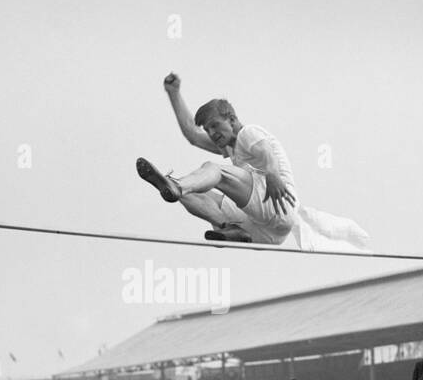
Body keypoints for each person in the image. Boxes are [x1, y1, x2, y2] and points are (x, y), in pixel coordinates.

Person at [136, 73, 369, 250]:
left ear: (232, 119)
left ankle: (179, 187)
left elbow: (266, 151)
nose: (212, 133)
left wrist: (273, 175)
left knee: (213, 170)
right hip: (269, 232)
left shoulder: (248, 132)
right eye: (209, 129)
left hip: (277, 201)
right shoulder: (228, 144)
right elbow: (193, 136)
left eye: (216, 125)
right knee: (192, 192)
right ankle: (227, 226)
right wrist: (174, 93)